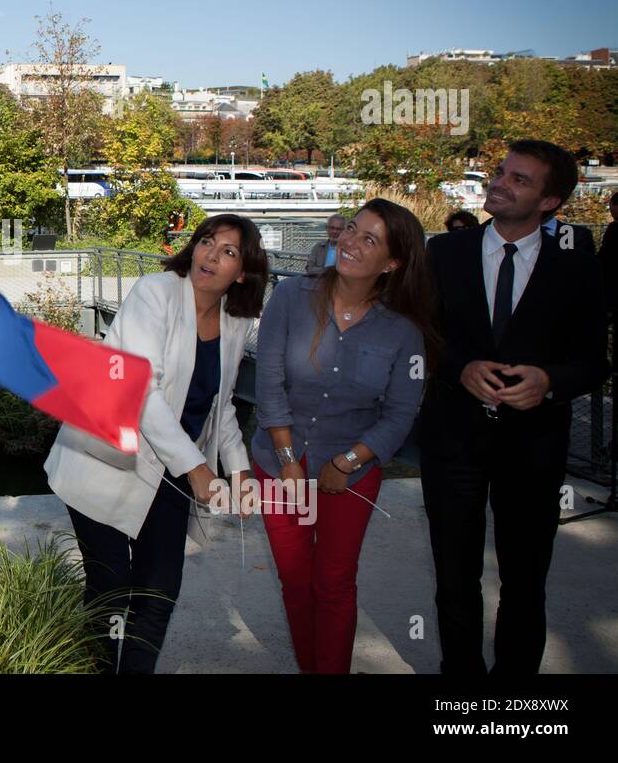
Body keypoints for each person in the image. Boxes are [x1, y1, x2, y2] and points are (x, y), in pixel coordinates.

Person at [45, 214, 268, 673]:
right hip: (105, 458)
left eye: (229, 252)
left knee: (159, 592)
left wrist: (239, 469)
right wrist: (197, 468)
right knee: (111, 590)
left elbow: (220, 404)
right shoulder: (155, 292)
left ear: (243, 272)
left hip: (171, 472)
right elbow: (142, 391)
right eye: (207, 242)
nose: (212, 254)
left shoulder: (235, 319)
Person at [418, 140, 608, 674]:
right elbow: (422, 334)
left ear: (550, 202)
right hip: (452, 441)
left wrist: (549, 381)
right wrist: (460, 367)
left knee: (525, 581)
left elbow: (594, 359)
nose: (498, 183)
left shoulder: (576, 261)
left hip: (533, 448)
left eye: (519, 179)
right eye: (501, 172)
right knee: (454, 578)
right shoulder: (444, 251)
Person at [253, 199, 434, 673]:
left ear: (392, 263)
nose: (350, 241)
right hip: (277, 466)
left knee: (333, 583)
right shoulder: (292, 296)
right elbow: (268, 381)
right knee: (295, 582)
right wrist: (288, 458)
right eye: (352, 229)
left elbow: (400, 413)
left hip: (349, 477)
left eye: (369, 239)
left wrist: (347, 462)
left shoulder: (402, 331)